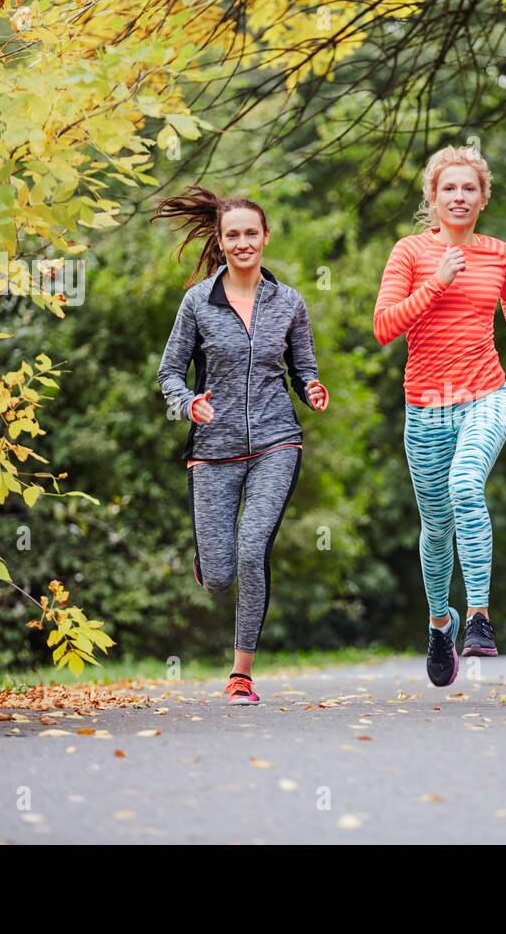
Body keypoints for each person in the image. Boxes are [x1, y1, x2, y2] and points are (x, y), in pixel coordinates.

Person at [154, 186, 329, 704]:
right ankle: (208, 563)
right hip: (212, 450)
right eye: (234, 235)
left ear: (265, 237)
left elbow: (304, 370)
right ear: (221, 240)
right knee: (219, 576)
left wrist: (312, 390)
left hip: (278, 441)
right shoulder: (197, 304)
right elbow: (169, 372)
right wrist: (188, 402)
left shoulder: (290, 302)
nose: (243, 242)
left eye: (252, 233)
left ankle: (241, 673)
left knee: (254, 551)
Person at [373, 146, 506, 687]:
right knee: (436, 527)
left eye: (469, 189)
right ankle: (439, 622)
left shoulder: (501, 254)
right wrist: (436, 281)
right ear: (433, 196)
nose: (459, 197)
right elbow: (384, 327)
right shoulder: (410, 253)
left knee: (467, 485)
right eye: (450, 189)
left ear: (483, 197)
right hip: (425, 406)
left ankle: (479, 618)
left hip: (486, 394)